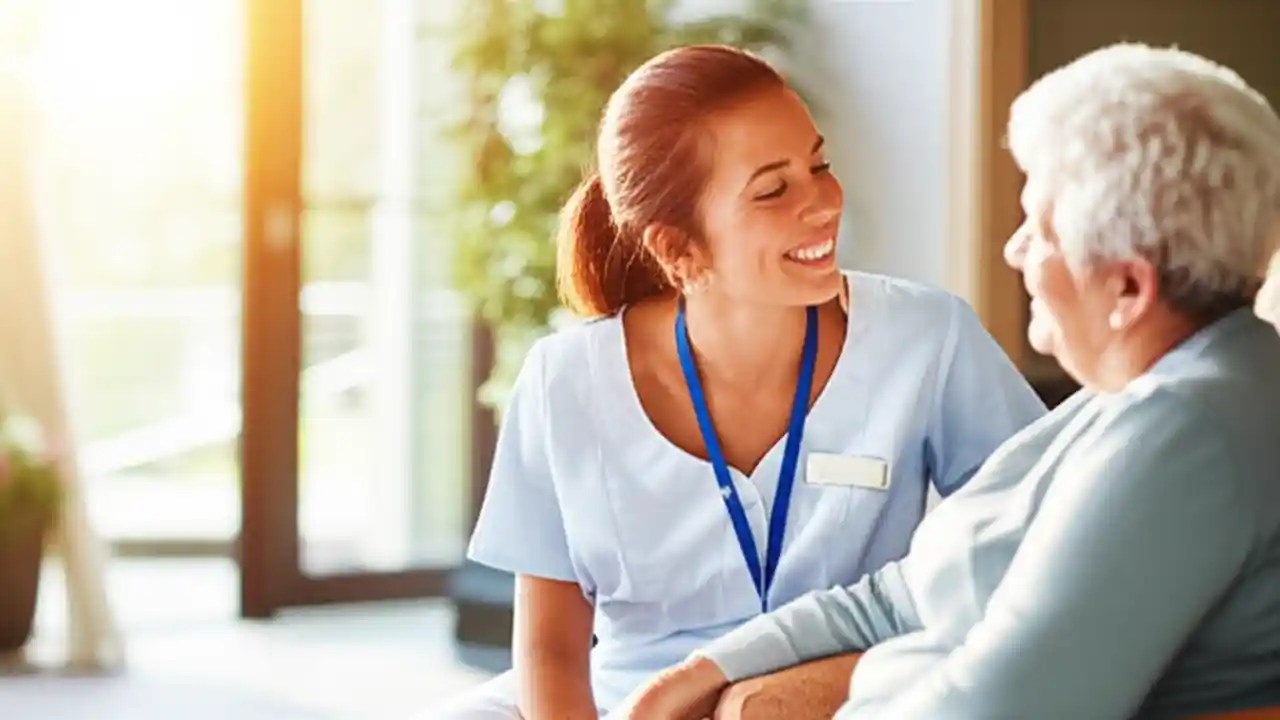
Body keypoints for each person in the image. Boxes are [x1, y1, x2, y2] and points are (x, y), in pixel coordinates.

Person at [618, 43, 1280, 720]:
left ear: (1128, 287)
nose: (1014, 249)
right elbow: (902, 593)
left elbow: (1003, 708)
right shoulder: (1136, 396)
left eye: (1041, 229)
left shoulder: (1184, 433)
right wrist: (704, 669)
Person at [439, 45, 1045, 718]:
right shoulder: (564, 382)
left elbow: (1037, 531)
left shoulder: (926, 338)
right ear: (677, 249)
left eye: (819, 165)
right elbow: (551, 650)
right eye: (773, 190)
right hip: (626, 703)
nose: (823, 203)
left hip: (840, 692)